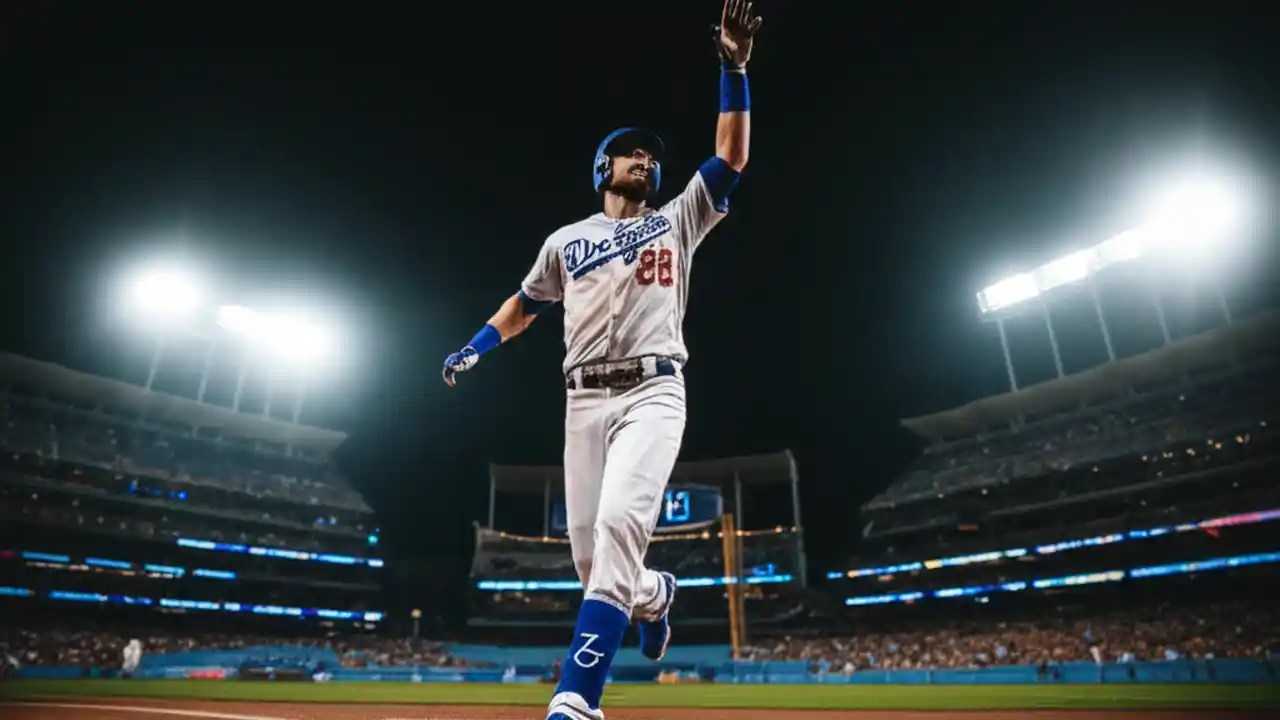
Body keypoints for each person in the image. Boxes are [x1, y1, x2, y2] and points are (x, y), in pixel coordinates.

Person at [441, 2, 762, 717]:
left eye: (650, 154)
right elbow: (523, 304)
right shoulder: (566, 240)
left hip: (653, 391)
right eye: (631, 152)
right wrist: (475, 346)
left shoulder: (678, 218)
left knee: (619, 525)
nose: (645, 159)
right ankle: (655, 594)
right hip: (582, 401)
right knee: (591, 559)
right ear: (602, 168)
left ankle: (577, 698)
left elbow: (731, 158)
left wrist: (733, 67)